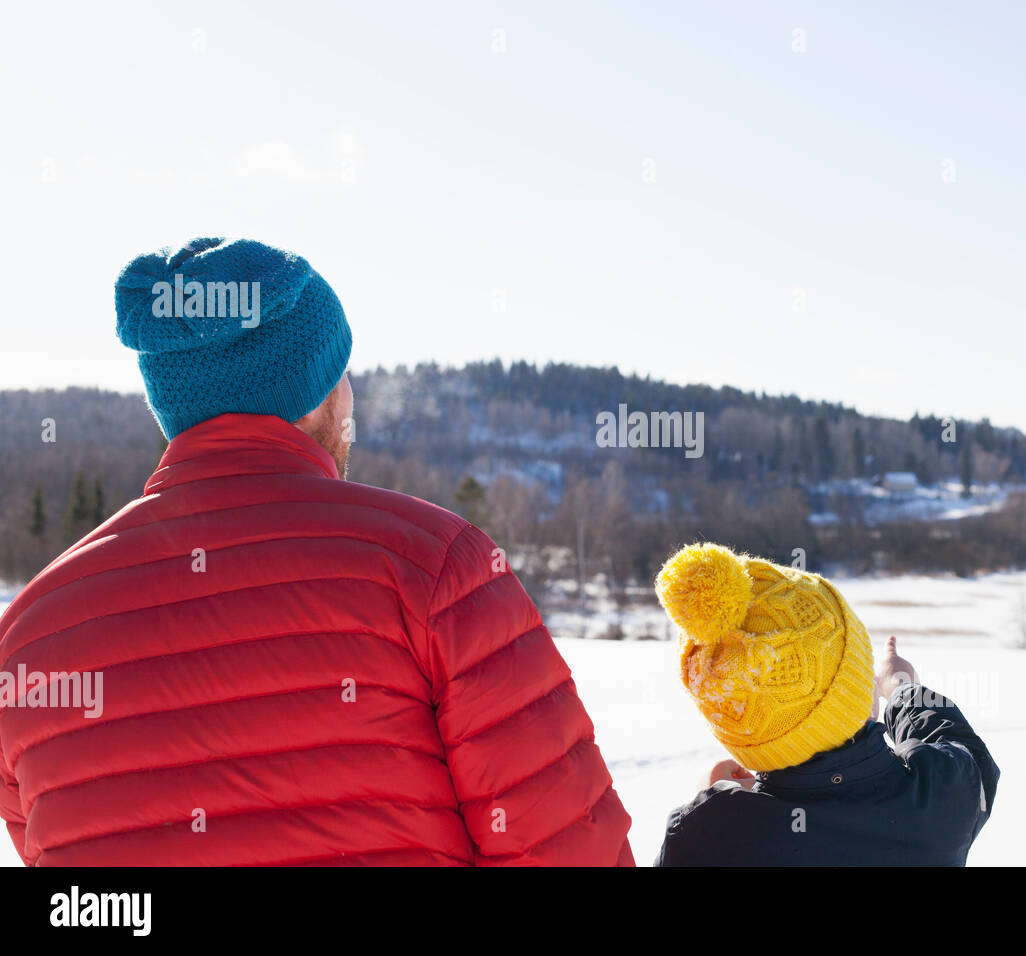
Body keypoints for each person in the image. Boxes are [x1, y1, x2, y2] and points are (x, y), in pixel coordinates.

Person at [0, 237, 633, 866]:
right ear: (319, 390)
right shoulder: (437, 568)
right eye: (342, 370)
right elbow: (565, 852)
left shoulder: (26, 637)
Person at [652, 542, 998, 866]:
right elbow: (968, 755)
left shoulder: (704, 838)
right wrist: (903, 690)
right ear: (859, 695)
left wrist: (713, 805)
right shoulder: (938, 802)